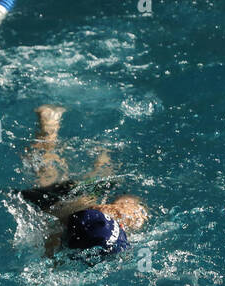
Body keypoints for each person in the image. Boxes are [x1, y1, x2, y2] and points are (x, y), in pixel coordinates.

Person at [16, 105, 148, 257]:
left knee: (103, 174)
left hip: (75, 200)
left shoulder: (123, 216)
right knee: (47, 172)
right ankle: (50, 126)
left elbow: (131, 202)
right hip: (55, 203)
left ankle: (99, 146)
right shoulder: (55, 239)